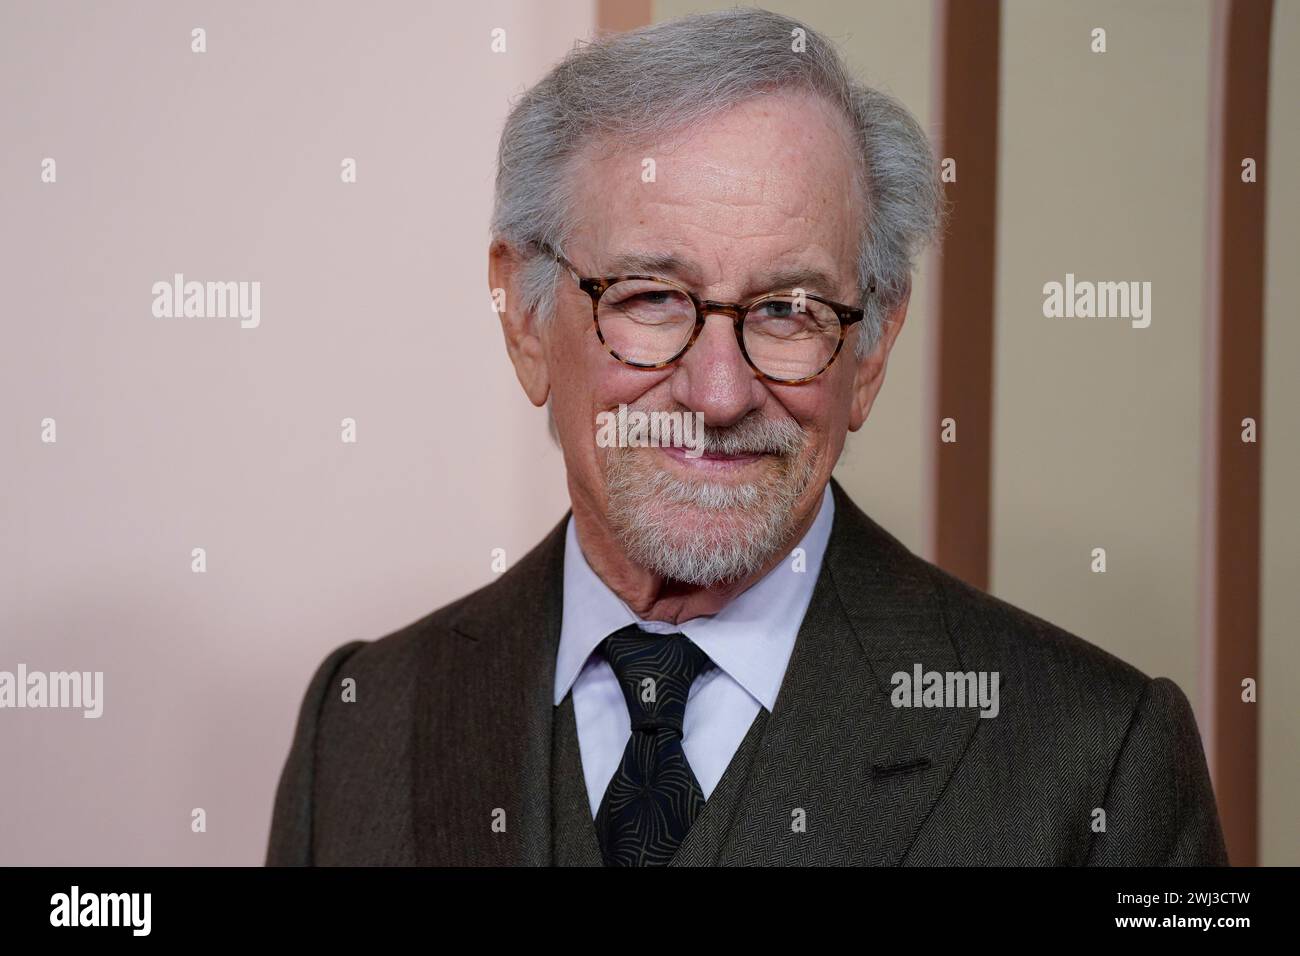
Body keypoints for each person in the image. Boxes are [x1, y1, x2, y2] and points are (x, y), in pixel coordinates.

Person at [266, 8, 1227, 866]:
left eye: (788, 310)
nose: (719, 393)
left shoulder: (1094, 761)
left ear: (874, 349)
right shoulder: (361, 722)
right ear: (525, 318)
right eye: (650, 297)